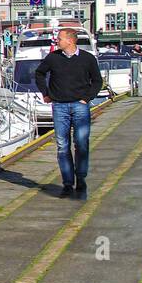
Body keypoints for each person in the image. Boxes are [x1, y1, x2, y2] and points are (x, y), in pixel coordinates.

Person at [34, 27, 102, 198]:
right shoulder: (53, 58)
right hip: (59, 106)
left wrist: (87, 98)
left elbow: (97, 81)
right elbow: (39, 73)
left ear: (70, 41)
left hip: (80, 105)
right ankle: (67, 183)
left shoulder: (87, 59)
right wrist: (46, 93)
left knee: (81, 143)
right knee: (62, 146)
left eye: (60, 38)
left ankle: (81, 179)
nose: (57, 41)